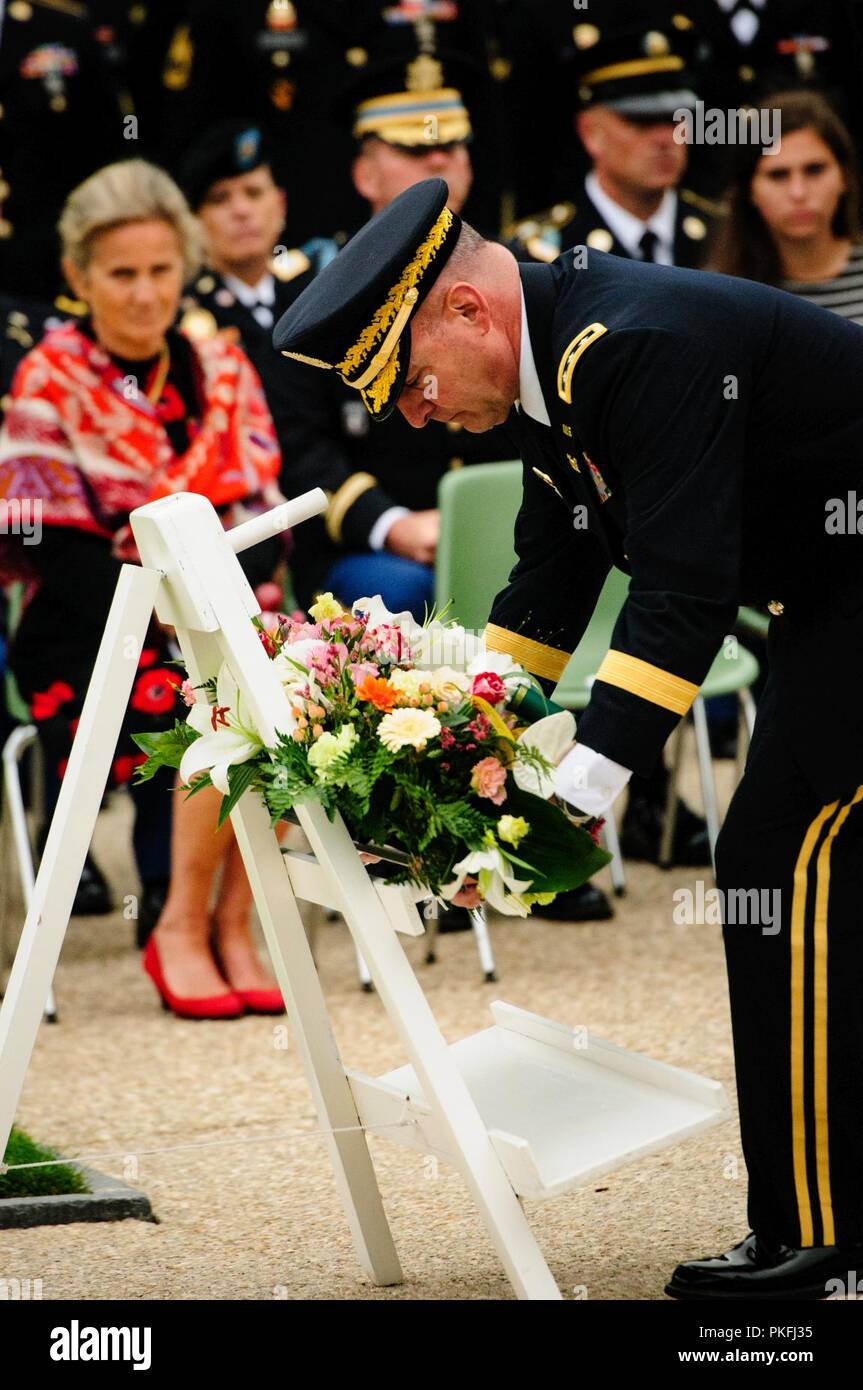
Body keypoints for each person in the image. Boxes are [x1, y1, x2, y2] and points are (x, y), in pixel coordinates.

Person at [273, 177, 863, 1298]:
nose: (413, 413)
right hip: (827, 599)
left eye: (408, 382)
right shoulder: (555, 364)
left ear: (463, 311)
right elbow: (551, 576)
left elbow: (684, 591)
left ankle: (819, 1243)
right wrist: (451, 742)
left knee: (776, 864)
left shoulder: (627, 346)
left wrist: (577, 787)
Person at [0, 159, 286, 1020]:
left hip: (215, 605)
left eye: (161, 270)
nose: (143, 292)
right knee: (188, 692)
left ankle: (236, 924)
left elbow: (263, 514)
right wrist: (175, 618)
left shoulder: (219, 366)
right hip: (90, 622)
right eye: (120, 274)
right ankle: (174, 925)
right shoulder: (48, 377)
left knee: (281, 681)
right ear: (79, 277)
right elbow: (43, 536)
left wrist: (231, 614)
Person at [508, 20, 721, 272]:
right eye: (641, 122)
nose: (665, 138)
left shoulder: (724, 235)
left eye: (676, 119)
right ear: (590, 132)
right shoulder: (541, 253)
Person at [711, 90, 863, 323]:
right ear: (750, 189)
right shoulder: (719, 295)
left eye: (814, 170)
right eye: (778, 175)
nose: (798, 192)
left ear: (844, 176)